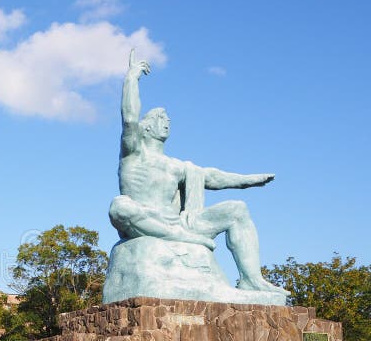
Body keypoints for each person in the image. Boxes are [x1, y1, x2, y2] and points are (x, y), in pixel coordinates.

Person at [109, 49, 287, 294]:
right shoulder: (133, 153)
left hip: (183, 224)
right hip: (144, 220)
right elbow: (129, 118)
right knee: (119, 206)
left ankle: (251, 279)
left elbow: (212, 177)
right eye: (160, 117)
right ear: (146, 127)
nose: (167, 121)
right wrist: (132, 77)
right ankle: (182, 238)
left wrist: (250, 180)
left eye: (168, 118)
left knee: (237, 209)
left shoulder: (178, 166)